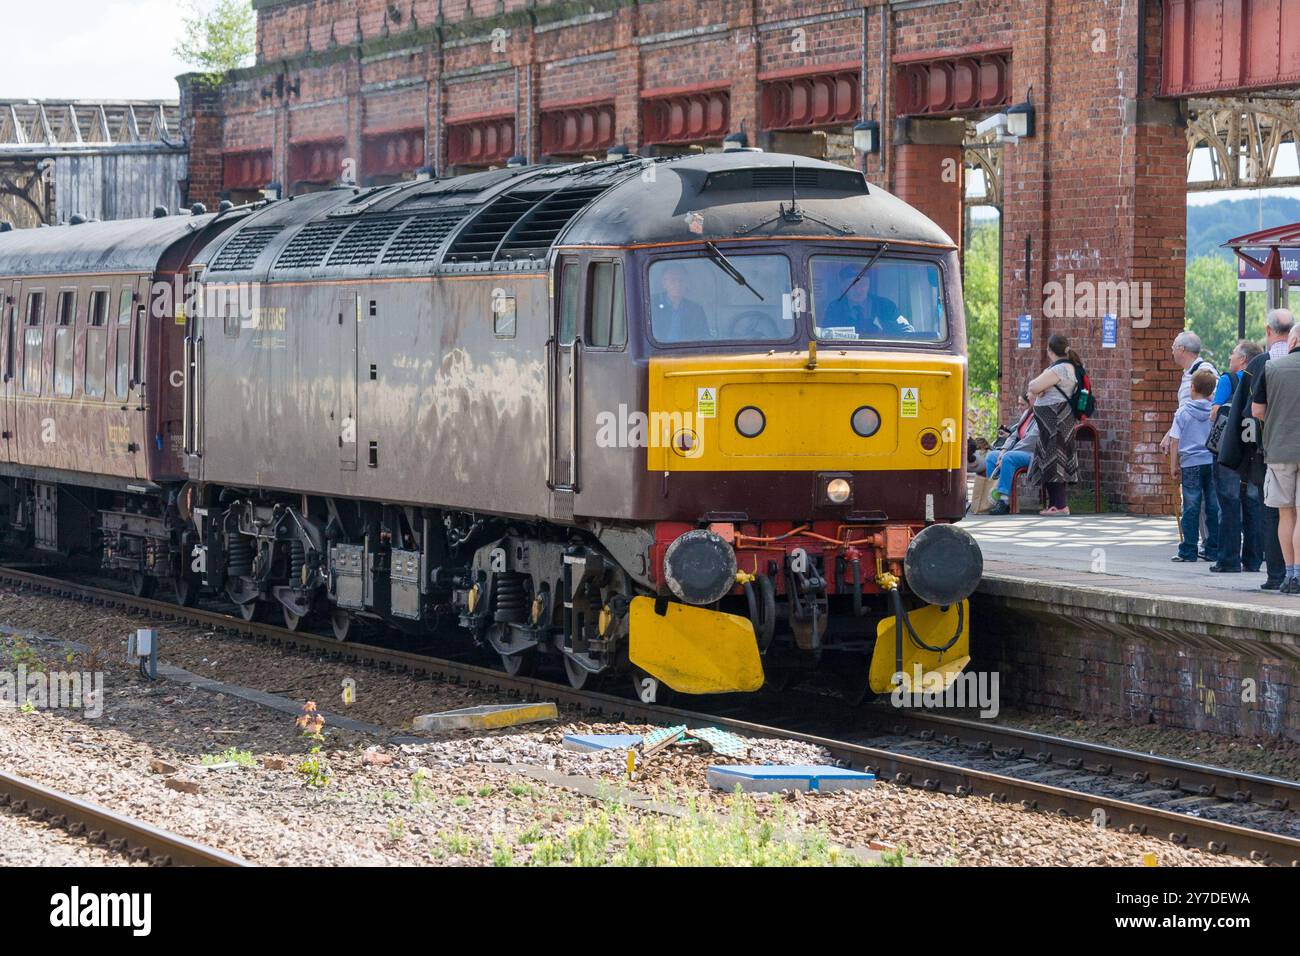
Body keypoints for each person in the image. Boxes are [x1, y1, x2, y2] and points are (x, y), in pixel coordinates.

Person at [1220, 323, 1290, 589]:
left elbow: (1251, 410)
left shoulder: (1261, 364)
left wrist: (1238, 451)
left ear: (1269, 330)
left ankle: (1277, 574)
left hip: (1269, 450)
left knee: (1272, 510)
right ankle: (1291, 572)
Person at [1251, 326, 1300, 594]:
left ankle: (1290, 575)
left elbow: (1257, 410)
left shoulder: (1272, 368)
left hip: (1279, 448)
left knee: (1285, 512)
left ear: (1292, 340)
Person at [1210, 340, 1265, 573]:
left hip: (1230, 450)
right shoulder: (1261, 377)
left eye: (1233, 353)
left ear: (1243, 359)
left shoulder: (1228, 380)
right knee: (1253, 502)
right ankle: (1253, 559)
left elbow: (1215, 413)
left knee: (1229, 503)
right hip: (1253, 448)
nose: (1230, 357)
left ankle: (1228, 559)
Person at [1025, 333, 1081, 516]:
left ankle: (1060, 505)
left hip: (1055, 421)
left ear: (1050, 351)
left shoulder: (1061, 369)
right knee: (1050, 460)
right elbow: (1040, 390)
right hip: (1053, 422)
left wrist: (1039, 391)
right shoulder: (1065, 367)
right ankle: (1055, 505)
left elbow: (1033, 387)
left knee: (1055, 461)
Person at [1170, 368, 1221, 562]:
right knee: (1212, 506)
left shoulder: (1183, 412)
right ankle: (1212, 548)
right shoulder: (1214, 412)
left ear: (1192, 387)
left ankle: (1188, 549)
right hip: (1211, 461)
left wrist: (1174, 465)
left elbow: (1175, 440)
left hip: (1190, 463)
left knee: (1191, 506)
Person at [820, 263, 913, 338]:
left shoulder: (886, 306)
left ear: (869, 285)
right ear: (843, 286)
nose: (859, 289)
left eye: (863, 284)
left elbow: (908, 331)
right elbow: (825, 335)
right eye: (853, 284)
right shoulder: (835, 308)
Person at [986, 394, 1038, 516]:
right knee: (992, 456)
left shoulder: (1041, 415)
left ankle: (1003, 501)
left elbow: (1032, 440)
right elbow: (1013, 435)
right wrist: (1003, 450)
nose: (1020, 407)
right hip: (1015, 451)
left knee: (1008, 458)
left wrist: (1007, 454)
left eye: (1029, 398)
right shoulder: (1026, 414)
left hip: (1031, 453)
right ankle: (991, 497)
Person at [654, 266, 711, 341]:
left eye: (681, 280)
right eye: (673, 280)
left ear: (687, 284)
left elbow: (703, 337)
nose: (678, 284)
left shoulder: (696, 310)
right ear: (664, 284)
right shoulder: (651, 305)